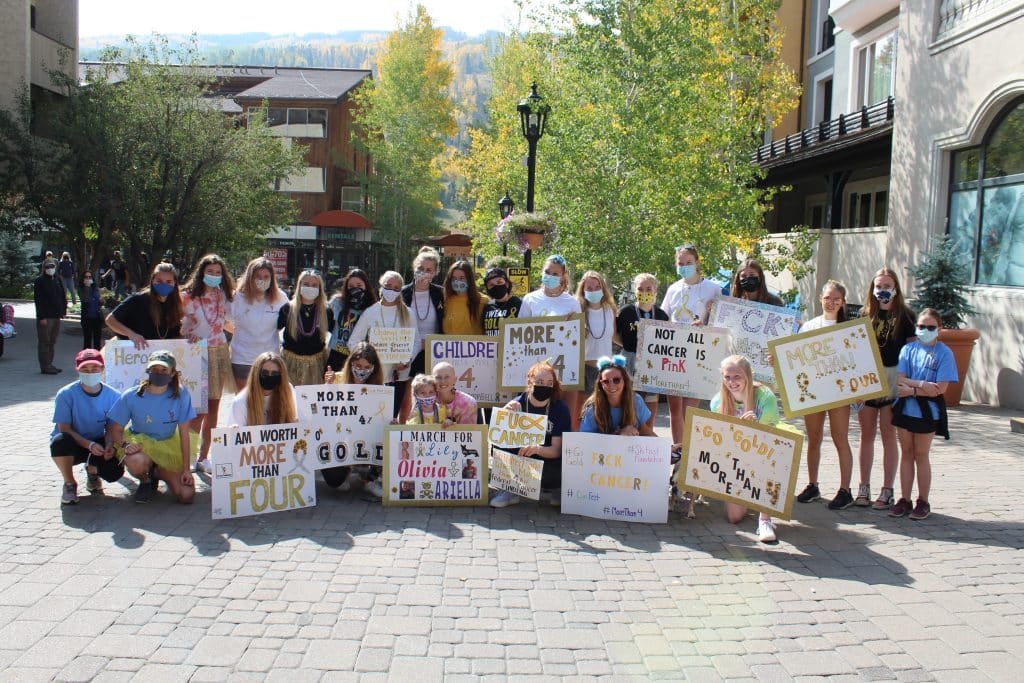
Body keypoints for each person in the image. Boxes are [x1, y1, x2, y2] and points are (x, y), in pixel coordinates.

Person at [856, 268, 917, 509]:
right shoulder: (864, 315)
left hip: (894, 376)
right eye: (878, 285)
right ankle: (863, 487)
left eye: (887, 285)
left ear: (896, 288)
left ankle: (888, 489)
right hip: (868, 378)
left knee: (888, 434)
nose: (883, 290)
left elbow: (912, 353)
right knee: (866, 434)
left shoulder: (906, 316)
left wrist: (907, 383)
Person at [889, 308, 957, 520]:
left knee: (921, 454)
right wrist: (921, 386)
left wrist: (913, 390)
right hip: (905, 409)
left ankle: (923, 500)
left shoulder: (944, 353)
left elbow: (940, 388)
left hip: (928, 413)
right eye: (921, 327)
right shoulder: (908, 349)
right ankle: (905, 499)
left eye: (930, 327)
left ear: (939, 329)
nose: (925, 330)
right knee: (906, 452)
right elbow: (900, 379)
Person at [710, 355, 784, 543]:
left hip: (763, 453)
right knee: (734, 517)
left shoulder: (765, 396)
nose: (732, 382)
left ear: (748, 376)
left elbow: (771, 438)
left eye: (737, 377)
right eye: (727, 377)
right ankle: (750, 497)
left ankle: (765, 519)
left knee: (768, 461)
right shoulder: (718, 401)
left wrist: (753, 428)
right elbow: (719, 440)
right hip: (735, 458)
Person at [106, 350, 196, 504]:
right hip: (141, 445)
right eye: (154, 369)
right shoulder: (131, 395)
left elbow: (184, 433)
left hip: (167, 445)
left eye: (164, 370)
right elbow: (115, 429)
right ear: (148, 370)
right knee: (135, 461)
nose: (158, 373)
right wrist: (125, 445)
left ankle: (157, 472)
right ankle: (145, 480)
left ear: (172, 373)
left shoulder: (181, 394)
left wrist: (187, 469)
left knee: (186, 495)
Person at [795, 280, 855, 510]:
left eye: (836, 299)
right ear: (820, 298)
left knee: (841, 439)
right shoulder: (809, 326)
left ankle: (845, 489)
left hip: (839, 392)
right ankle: (812, 485)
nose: (831, 302)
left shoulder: (850, 329)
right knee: (814, 439)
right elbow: (795, 359)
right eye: (827, 298)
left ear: (843, 302)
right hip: (813, 392)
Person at [490, 360, 572, 508]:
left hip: (546, 460)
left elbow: (556, 450)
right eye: (539, 381)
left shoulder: (560, 409)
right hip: (520, 458)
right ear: (530, 380)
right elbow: (498, 438)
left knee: (562, 463)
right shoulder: (517, 403)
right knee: (496, 446)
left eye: (549, 383)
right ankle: (510, 489)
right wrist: (504, 415)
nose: (544, 386)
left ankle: (553, 489)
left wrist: (537, 449)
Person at [181, 254, 235, 474]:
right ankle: (189, 455)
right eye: (210, 271)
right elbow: (178, 327)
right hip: (195, 355)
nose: (214, 276)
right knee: (197, 409)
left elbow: (228, 324)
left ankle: (204, 457)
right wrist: (186, 333)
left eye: (217, 272)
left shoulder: (223, 296)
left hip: (219, 352)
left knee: (214, 408)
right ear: (201, 272)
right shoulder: (186, 297)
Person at [661, 244, 721, 443]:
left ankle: (688, 454)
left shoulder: (713, 288)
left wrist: (707, 321)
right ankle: (678, 455)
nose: (684, 266)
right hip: (674, 355)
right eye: (680, 263)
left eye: (688, 263)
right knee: (675, 411)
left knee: (690, 410)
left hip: (698, 355)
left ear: (697, 263)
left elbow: (722, 322)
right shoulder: (673, 289)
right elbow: (663, 318)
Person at [50, 349, 124, 504]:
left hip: (98, 441)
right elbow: (64, 428)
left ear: (102, 369)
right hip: (72, 442)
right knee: (59, 442)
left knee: (114, 472)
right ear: (77, 370)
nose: (90, 372)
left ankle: (92, 472)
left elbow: (112, 427)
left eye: (94, 368)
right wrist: (89, 445)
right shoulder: (65, 394)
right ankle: (69, 483)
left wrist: (110, 444)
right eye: (85, 369)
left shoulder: (114, 395)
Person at [322, 342, 386, 498]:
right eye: (357, 365)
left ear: (373, 368)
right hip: (341, 438)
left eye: (366, 367)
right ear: (350, 364)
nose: (361, 371)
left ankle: (370, 479)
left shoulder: (378, 387)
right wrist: (327, 386)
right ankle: (348, 469)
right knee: (334, 479)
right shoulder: (337, 379)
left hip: (364, 438)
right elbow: (323, 411)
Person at [350, 271, 415, 417]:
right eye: (388, 286)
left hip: (399, 375)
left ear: (401, 290)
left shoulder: (409, 313)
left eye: (396, 288)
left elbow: (415, 341)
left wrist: (407, 360)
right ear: (381, 286)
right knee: (372, 417)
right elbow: (353, 342)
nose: (391, 290)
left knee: (391, 417)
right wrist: (366, 359)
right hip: (374, 375)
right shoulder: (370, 312)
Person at [615, 273, 669, 428]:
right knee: (630, 399)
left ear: (655, 291)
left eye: (648, 288)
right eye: (640, 288)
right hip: (630, 359)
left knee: (651, 398)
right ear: (635, 290)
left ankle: (648, 432)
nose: (644, 292)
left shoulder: (661, 315)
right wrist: (629, 347)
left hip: (652, 362)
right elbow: (615, 335)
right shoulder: (626, 312)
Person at [230, 257, 289, 391]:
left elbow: (284, 325)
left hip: (269, 360)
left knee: (267, 402)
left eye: (266, 276)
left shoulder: (281, 298)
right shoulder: (237, 297)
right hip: (242, 359)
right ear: (250, 277)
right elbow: (223, 320)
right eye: (258, 276)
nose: (262, 280)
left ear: (272, 278)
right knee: (244, 400)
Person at [401, 247, 444, 417]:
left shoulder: (440, 293)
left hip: (434, 351)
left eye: (428, 270)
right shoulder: (403, 293)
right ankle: (403, 431)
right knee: (407, 396)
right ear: (414, 268)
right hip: (409, 350)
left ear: (435, 272)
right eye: (420, 269)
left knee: (436, 393)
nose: (424, 273)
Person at [105, 262, 184, 349]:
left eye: (168, 282)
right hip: (133, 354)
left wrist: (188, 337)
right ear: (152, 281)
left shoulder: (175, 305)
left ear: (174, 283)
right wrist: (132, 334)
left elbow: (175, 335)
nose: (164, 284)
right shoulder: (138, 299)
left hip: (159, 357)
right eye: (159, 281)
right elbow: (110, 320)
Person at [277, 269, 334, 385]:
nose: (310, 287)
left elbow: (336, 335)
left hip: (316, 365)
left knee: (313, 401)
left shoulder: (326, 311)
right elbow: (272, 330)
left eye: (314, 285)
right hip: (290, 364)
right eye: (306, 284)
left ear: (320, 288)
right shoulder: (287, 309)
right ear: (299, 286)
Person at [575, 270, 616, 428]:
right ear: (583, 290)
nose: (593, 291)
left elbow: (615, 336)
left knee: (602, 414)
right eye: (589, 288)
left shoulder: (610, 310)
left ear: (603, 288)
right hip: (584, 370)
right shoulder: (578, 310)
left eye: (597, 287)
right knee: (581, 414)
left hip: (605, 371)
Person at [580, 355, 657, 436]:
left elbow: (642, 428)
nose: (611, 385)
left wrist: (665, 446)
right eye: (606, 381)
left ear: (625, 381)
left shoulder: (636, 400)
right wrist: (619, 434)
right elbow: (586, 439)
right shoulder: (592, 407)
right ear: (600, 384)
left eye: (616, 380)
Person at [230, 351, 305, 426]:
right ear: (256, 374)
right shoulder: (241, 401)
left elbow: (300, 418)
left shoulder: (288, 391)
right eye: (264, 373)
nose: (269, 377)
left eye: (274, 374)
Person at [327, 268, 376, 372]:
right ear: (346, 287)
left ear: (366, 286)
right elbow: (327, 324)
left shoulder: (372, 307)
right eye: (351, 286)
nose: (355, 289)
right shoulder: (337, 302)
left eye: (359, 286)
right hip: (337, 355)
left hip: (361, 358)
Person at [34, 258, 66, 375]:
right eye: (47, 267)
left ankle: (50, 364)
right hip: (45, 317)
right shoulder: (39, 281)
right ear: (43, 268)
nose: (50, 269)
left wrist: (63, 310)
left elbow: (62, 295)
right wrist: (41, 317)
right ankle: (45, 366)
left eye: (52, 266)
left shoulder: (57, 279)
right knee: (44, 341)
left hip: (56, 315)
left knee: (52, 341)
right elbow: (38, 300)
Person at [441, 259, 489, 335]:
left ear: (469, 279)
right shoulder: (445, 299)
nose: (457, 282)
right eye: (454, 278)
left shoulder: (483, 301)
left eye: (462, 278)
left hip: (474, 346)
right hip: (449, 346)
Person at [481, 267, 522, 336]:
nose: (496, 286)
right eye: (491, 285)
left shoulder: (519, 304)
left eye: (499, 282)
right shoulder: (487, 307)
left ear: (507, 284)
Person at [77, 270, 104, 350]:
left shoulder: (95, 288)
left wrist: (101, 301)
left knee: (97, 341)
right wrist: (87, 287)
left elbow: (98, 301)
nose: (88, 279)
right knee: (87, 341)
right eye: (86, 277)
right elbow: (85, 299)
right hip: (87, 317)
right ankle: (87, 360)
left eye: (90, 277)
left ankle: (98, 359)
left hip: (97, 317)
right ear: (83, 279)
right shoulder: (81, 288)